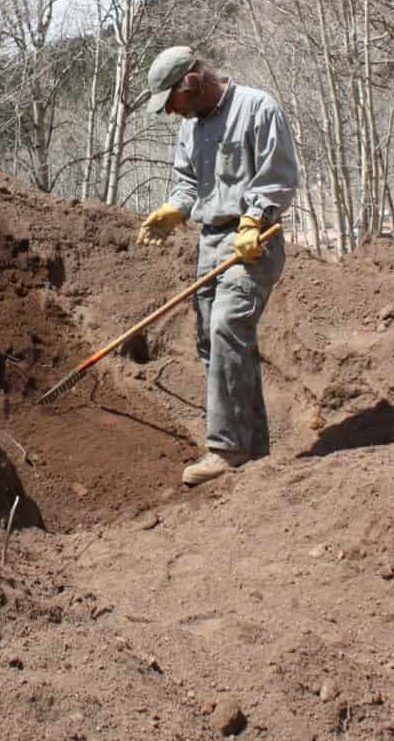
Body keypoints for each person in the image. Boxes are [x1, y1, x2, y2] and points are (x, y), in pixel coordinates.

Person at [135, 45, 300, 487]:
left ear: (192, 83)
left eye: (172, 101)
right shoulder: (191, 128)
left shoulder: (256, 109)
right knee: (216, 344)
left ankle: (225, 450)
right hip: (210, 241)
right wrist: (174, 209)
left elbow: (279, 176)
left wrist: (254, 219)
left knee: (228, 324)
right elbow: (188, 183)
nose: (171, 112)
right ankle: (255, 448)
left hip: (252, 240)